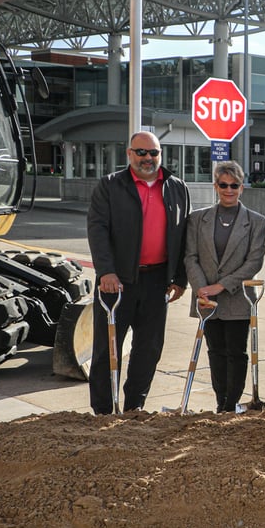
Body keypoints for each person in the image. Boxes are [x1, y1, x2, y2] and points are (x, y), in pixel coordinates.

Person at [86, 131, 190, 413]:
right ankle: (105, 412)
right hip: (117, 282)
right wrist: (106, 271)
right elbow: (98, 230)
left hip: (157, 282)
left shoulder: (176, 187)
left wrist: (180, 279)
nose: (148, 158)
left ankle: (134, 408)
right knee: (108, 350)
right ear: (129, 154)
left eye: (153, 153)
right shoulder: (110, 186)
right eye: (141, 152)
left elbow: (183, 237)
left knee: (149, 350)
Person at [184, 161, 265, 412]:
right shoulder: (198, 219)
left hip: (238, 298)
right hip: (206, 299)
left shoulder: (256, 221)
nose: (228, 190)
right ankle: (220, 400)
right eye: (223, 185)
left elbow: (254, 261)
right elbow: (190, 256)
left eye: (234, 185)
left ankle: (231, 403)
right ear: (215, 186)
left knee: (236, 352)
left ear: (242, 188)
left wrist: (220, 286)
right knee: (215, 351)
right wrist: (201, 287)